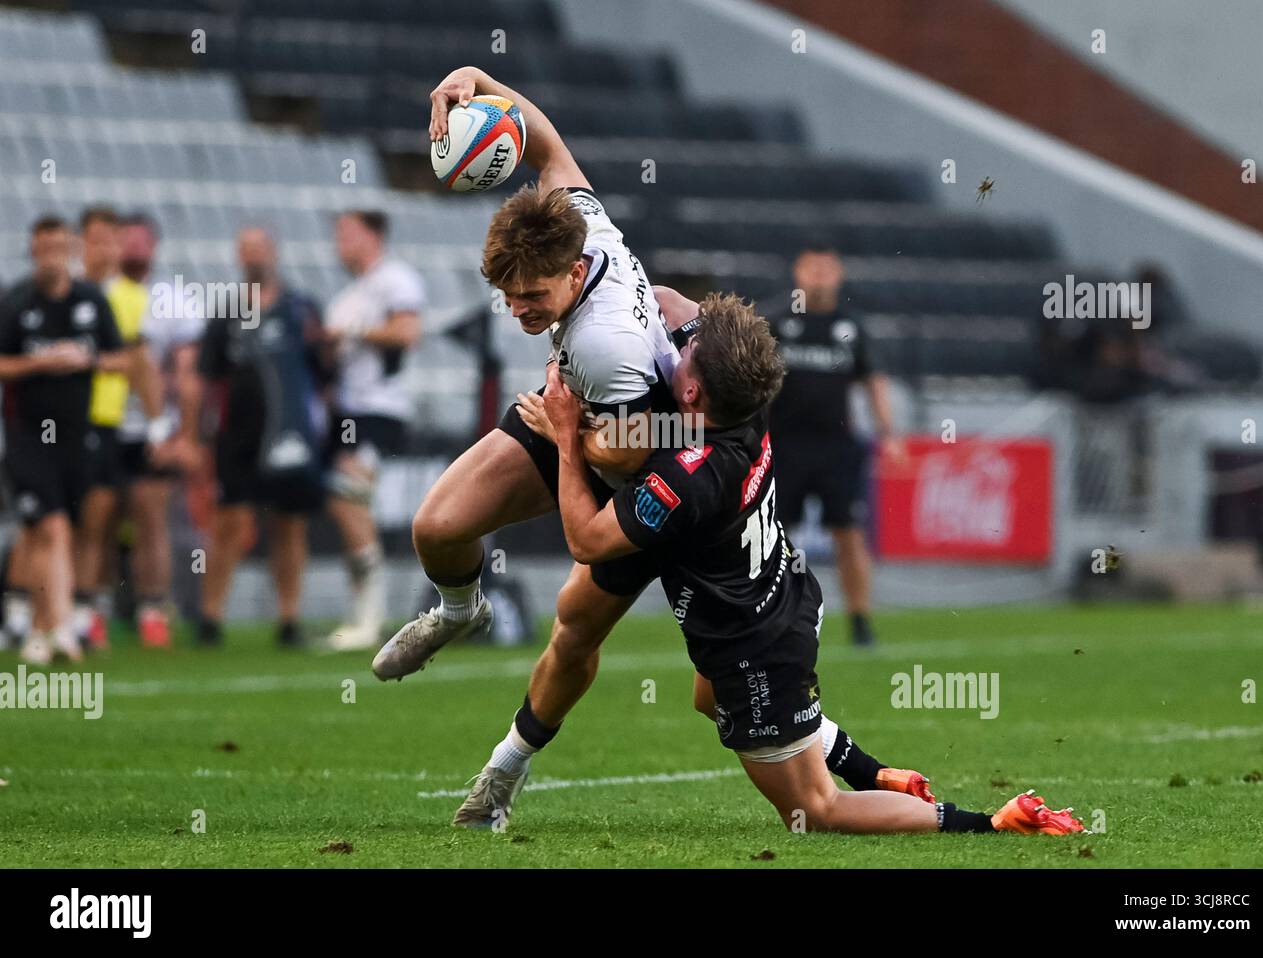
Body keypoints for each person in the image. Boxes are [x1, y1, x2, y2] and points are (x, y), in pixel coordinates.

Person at [378, 67, 923, 824]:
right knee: (437, 527)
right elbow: (548, 144)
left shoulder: (608, 349)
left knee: (581, 631)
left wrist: (569, 438)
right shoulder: (580, 221)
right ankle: (459, 609)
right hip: (582, 408)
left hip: (635, 452)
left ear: (573, 277)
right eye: (508, 296)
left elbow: (639, 447)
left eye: (533, 298)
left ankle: (502, 776)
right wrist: (479, 83)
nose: (519, 310)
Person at [532, 292, 1083, 837]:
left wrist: (564, 436)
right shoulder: (746, 401)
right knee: (707, 696)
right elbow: (672, 305)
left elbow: (586, 540)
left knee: (818, 810)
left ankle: (989, 823)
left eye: (686, 355)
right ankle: (876, 771)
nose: (678, 353)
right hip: (783, 595)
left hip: (755, 648)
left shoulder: (688, 473)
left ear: (693, 392)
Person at [0, 216, 132, 665]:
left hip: (77, 435)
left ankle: (40, 629)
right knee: (50, 527)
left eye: (60, 245)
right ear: (34, 250)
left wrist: (86, 358)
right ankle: (60, 627)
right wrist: (42, 363)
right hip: (26, 434)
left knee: (54, 532)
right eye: (45, 246)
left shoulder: (91, 300)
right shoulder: (17, 301)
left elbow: (121, 359)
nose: (53, 254)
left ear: (71, 249)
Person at [196, 227, 329, 648]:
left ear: (274, 253)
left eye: (259, 250)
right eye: (246, 251)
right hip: (237, 436)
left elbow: (324, 374)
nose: (253, 258)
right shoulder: (228, 311)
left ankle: (289, 618)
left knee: (288, 524)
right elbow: (206, 378)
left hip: (290, 435)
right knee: (230, 522)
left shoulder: (300, 309)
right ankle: (211, 617)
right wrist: (198, 435)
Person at [767, 244, 904, 647]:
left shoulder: (851, 327)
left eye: (828, 268)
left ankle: (860, 621)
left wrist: (888, 434)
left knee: (849, 533)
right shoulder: (776, 321)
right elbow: (752, 379)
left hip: (836, 447)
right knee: (775, 534)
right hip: (784, 446)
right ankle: (774, 616)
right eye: (812, 267)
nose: (820, 275)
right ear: (798, 271)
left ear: (839, 273)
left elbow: (873, 380)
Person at [320, 210, 426, 651]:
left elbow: (407, 332)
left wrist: (351, 332)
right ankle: (364, 611)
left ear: (373, 235)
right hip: (346, 413)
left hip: (380, 410)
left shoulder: (394, 280)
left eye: (347, 231)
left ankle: (370, 616)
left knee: (348, 495)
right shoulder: (345, 296)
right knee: (346, 503)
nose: (339, 241)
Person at [73, 206, 165, 651]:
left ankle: (144, 613)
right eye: (95, 240)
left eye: (111, 240)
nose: (104, 249)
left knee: (132, 518)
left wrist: (158, 424)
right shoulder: (66, 292)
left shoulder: (130, 296)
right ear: (81, 245)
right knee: (84, 524)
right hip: (67, 422)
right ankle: (80, 610)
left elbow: (140, 362)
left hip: (113, 422)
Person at [116, 213, 204, 647]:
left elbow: (188, 372)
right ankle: (86, 609)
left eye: (140, 239)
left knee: (152, 517)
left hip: (153, 426)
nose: (133, 247)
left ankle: (153, 608)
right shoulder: (99, 292)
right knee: (93, 517)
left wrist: (183, 435)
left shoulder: (172, 298)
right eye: (124, 238)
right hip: (102, 421)